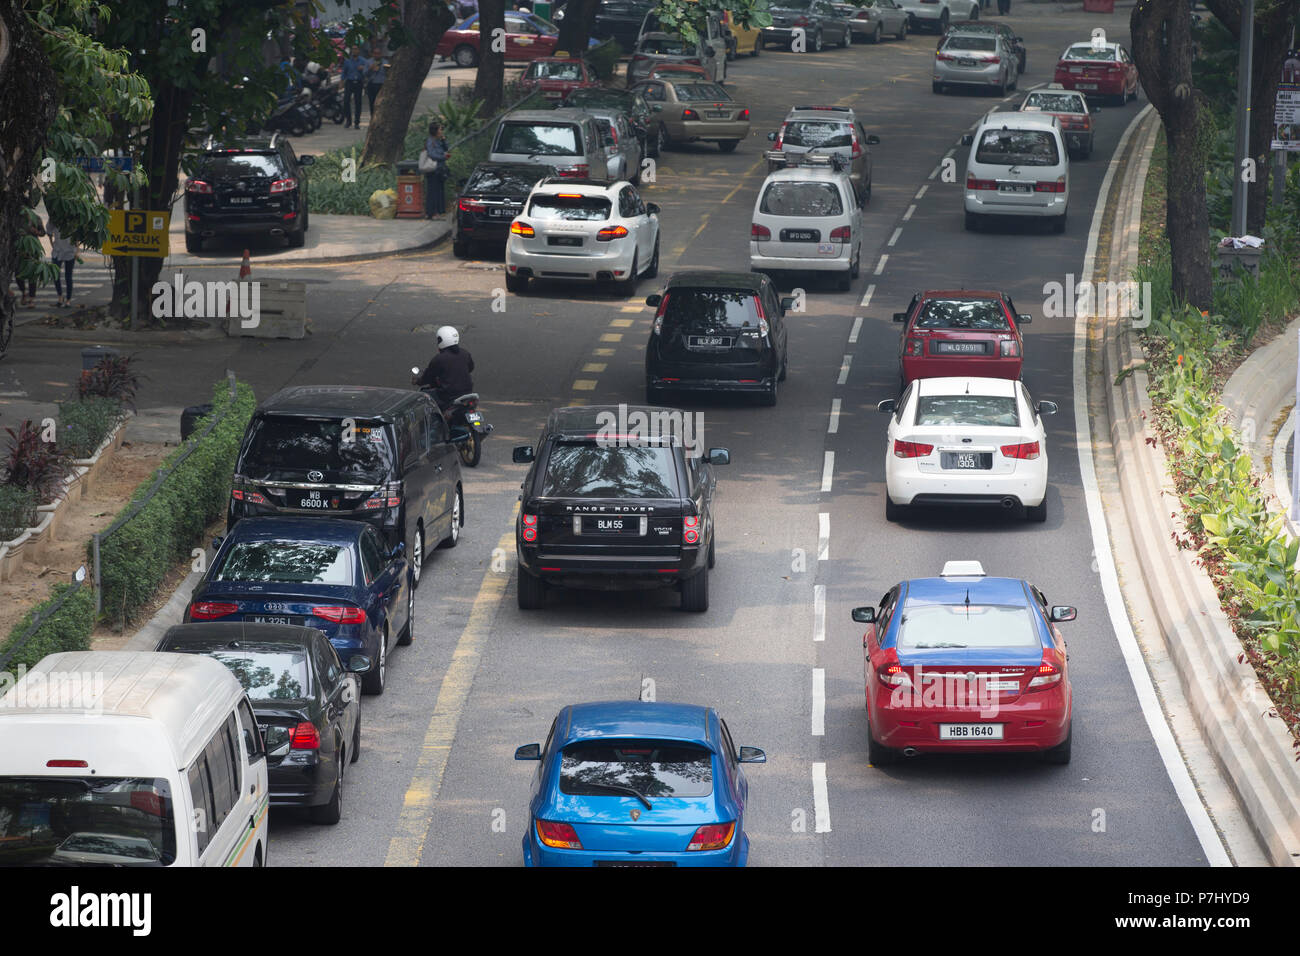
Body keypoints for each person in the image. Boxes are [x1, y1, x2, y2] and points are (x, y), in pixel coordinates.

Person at [413, 326, 475, 413]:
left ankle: (432, 424)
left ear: (441, 340)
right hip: (468, 392)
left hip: (449, 396)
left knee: (424, 397)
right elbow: (471, 368)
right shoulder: (465, 353)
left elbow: (428, 377)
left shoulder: (439, 359)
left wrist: (418, 381)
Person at [47, 217, 77, 308]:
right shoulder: (55, 217)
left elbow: (77, 235)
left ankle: (68, 300)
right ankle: (60, 297)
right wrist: (52, 243)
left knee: (68, 276)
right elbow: (49, 231)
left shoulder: (73, 218)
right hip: (57, 250)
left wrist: (77, 250)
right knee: (55, 275)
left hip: (70, 251)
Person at [424, 122, 451, 218]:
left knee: (439, 190)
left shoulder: (438, 141)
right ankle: (431, 212)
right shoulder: (430, 141)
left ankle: (439, 211)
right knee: (433, 191)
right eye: (440, 129)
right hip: (433, 169)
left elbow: (446, 148)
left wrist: (444, 140)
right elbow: (432, 154)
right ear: (435, 131)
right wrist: (443, 157)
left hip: (440, 169)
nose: (441, 131)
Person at [341, 45, 367, 128]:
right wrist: (341, 81)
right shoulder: (347, 61)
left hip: (359, 82)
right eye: (353, 49)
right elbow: (344, 72)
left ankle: (357, 122)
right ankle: (348, 120)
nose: (354, 51)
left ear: (358, 51)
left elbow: (368, 71)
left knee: (358, 102)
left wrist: (363, 68)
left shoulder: (363, 61)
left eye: (356, 49)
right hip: (349, 82)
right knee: (346, 101)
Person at [365, 49, 387, 120]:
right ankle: (372, 118)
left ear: (381, 54)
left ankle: (380, 118)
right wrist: (370, 69)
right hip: (372, 84)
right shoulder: (368, 62)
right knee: (372, 103)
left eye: (378, 53)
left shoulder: (385, 62)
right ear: (373, 54)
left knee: (381, 103)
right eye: (375, 53)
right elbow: (365, 73)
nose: (377, 55)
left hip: (381, 85)